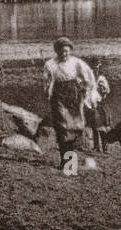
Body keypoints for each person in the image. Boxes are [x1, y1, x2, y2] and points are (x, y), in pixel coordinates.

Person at [42, 37, 97, 169]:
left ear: (70, 51)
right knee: (62, 127)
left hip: (74, 95)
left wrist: (86, 89)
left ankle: (70, 162)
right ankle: (65, 162)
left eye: (66, 51)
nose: (64, 54)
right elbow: (48, 82)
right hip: (59, 96)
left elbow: (88, 77)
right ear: (57, 51)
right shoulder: (51, 64)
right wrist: (48, 93)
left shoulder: (76, 62)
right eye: (61, 51)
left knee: (75, 127)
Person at [83, 58, 111, 154]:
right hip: (90, 104)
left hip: (99, 104)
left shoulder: (101, 78)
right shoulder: (88, 77)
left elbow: (107, 90)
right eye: (94, 67)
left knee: (102, 126)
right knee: (94, 126)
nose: (96, 69)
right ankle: (96, 147)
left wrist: (102, 89)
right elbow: (84, 89)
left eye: (97, 67)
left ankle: (105, 147)